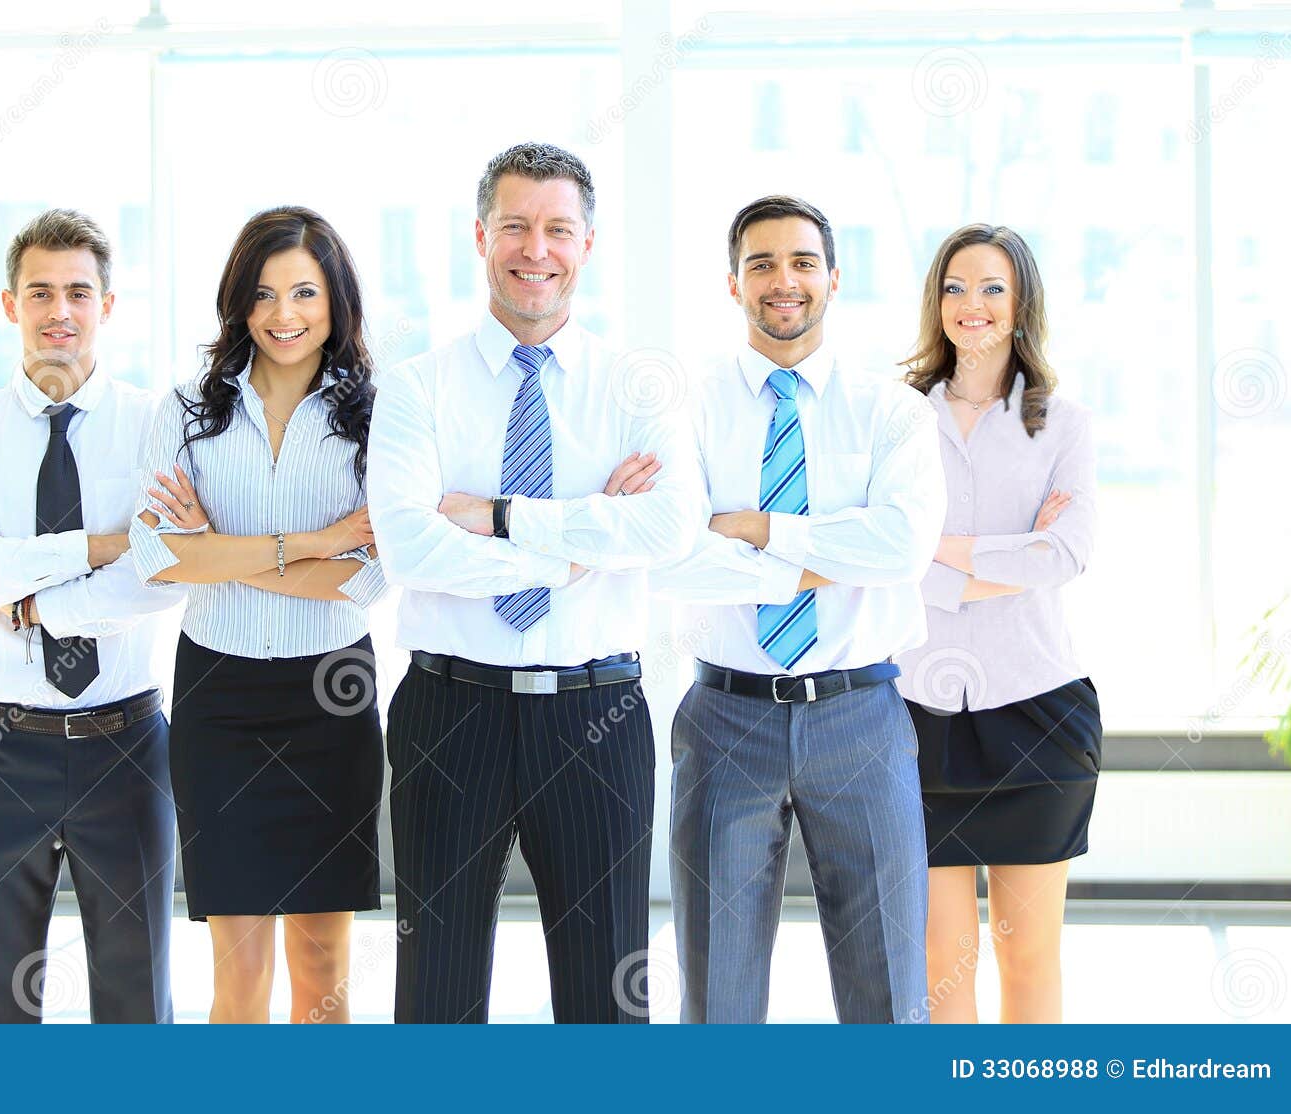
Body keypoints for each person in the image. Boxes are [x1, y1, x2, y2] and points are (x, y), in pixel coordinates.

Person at [367, 142, 706, 1023]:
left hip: (597, 715)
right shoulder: (415, 388)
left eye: (558, 229)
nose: (536, 249)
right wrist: (590, 533)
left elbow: (669, 530)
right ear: (481, 235)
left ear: (587, 244)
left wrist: (503, 515)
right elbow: (411, 552)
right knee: (435, 995)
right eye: (515, 226)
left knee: (606, 998)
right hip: (451, 711)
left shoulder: (638, 385)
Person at [650, 195, 945, 1023]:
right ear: (734, 284)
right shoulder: (688, 411)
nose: (784, 281)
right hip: (725, 718)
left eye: (802, 262)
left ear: (834, 277)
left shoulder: (892, 411)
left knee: (887, 983)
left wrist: (758, 530)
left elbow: (900, 549)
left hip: (860, 713)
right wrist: (816, 559)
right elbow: (671, 556)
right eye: (763, 264)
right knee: (719, 991)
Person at [128, 207, 387, 1024]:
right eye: (266, 294)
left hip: (331, 699)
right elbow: (161, 559)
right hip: (220, 700)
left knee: (323, 974)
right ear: (238, 302)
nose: (285, 315)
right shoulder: (184, 411)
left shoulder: (377, 416)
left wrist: (224, 549)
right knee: (237, 979)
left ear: (336, 302)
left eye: (305, 292)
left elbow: (365, 582)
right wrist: (310, 543)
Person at [0, 209, 184, 1023]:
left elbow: (163, 573)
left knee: (135, 998)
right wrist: (99, 545)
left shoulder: (155, 425)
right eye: (40, 293)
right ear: (11, 306)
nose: (59, 311)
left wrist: (26, 592)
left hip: (127, 746)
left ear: (107, 304)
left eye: (79, 291)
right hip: (1, 749)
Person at [896, 224, 1101, 1024]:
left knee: (1027, 951)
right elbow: (884, 561)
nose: (970, 305)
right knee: (942, 959)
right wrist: (1006, 558)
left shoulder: (1064, 423)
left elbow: (1068, 553)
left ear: (1020, 305)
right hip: (917, 717)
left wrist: (937, 553)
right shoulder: (899, 417)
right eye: (954, 287)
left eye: (991, 289)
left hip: (1039, 710)